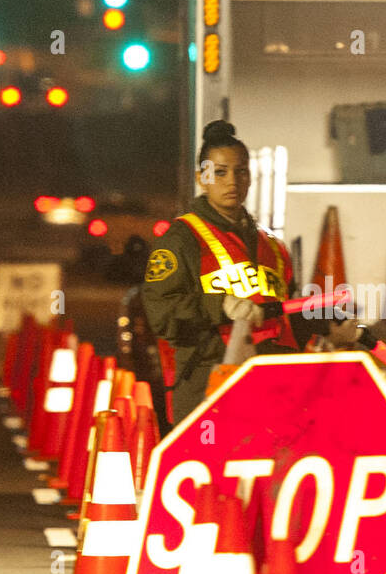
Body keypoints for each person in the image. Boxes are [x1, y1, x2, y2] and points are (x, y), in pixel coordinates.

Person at [141, 119, 359, 423]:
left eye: (240, 171)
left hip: (274, 391)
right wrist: (222, 305)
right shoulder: (181, 240)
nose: (232, 181)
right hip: (210, 391)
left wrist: (326, 326)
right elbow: (161, 312)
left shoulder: (273, 246)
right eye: (220, 172)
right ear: (201, 178)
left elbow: (280, 316)